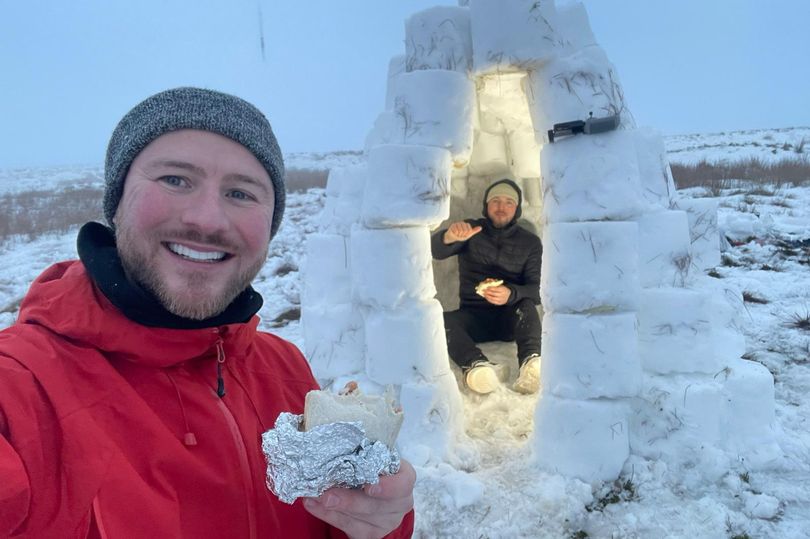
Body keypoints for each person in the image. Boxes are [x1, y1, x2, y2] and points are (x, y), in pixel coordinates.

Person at [0, 87, 415, 538]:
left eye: (240, 192)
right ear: (117, 202)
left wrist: (375, 521)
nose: (208, 220)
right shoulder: (21, 388)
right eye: (176, 180)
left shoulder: (286, 370)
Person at [431, 179, 543, 395]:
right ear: (486, 205)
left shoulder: (530, 243)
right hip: (474, 317)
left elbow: (537, 289)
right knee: (440, 320)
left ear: (517, 208)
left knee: (527, 305)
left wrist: (512, 294)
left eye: (509, 202)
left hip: (512, 318)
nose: (501, 207)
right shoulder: (471, 230)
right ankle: (477, 367)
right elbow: (437, 251)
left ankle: (531, 364)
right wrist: (448, 237)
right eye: (496, 201)